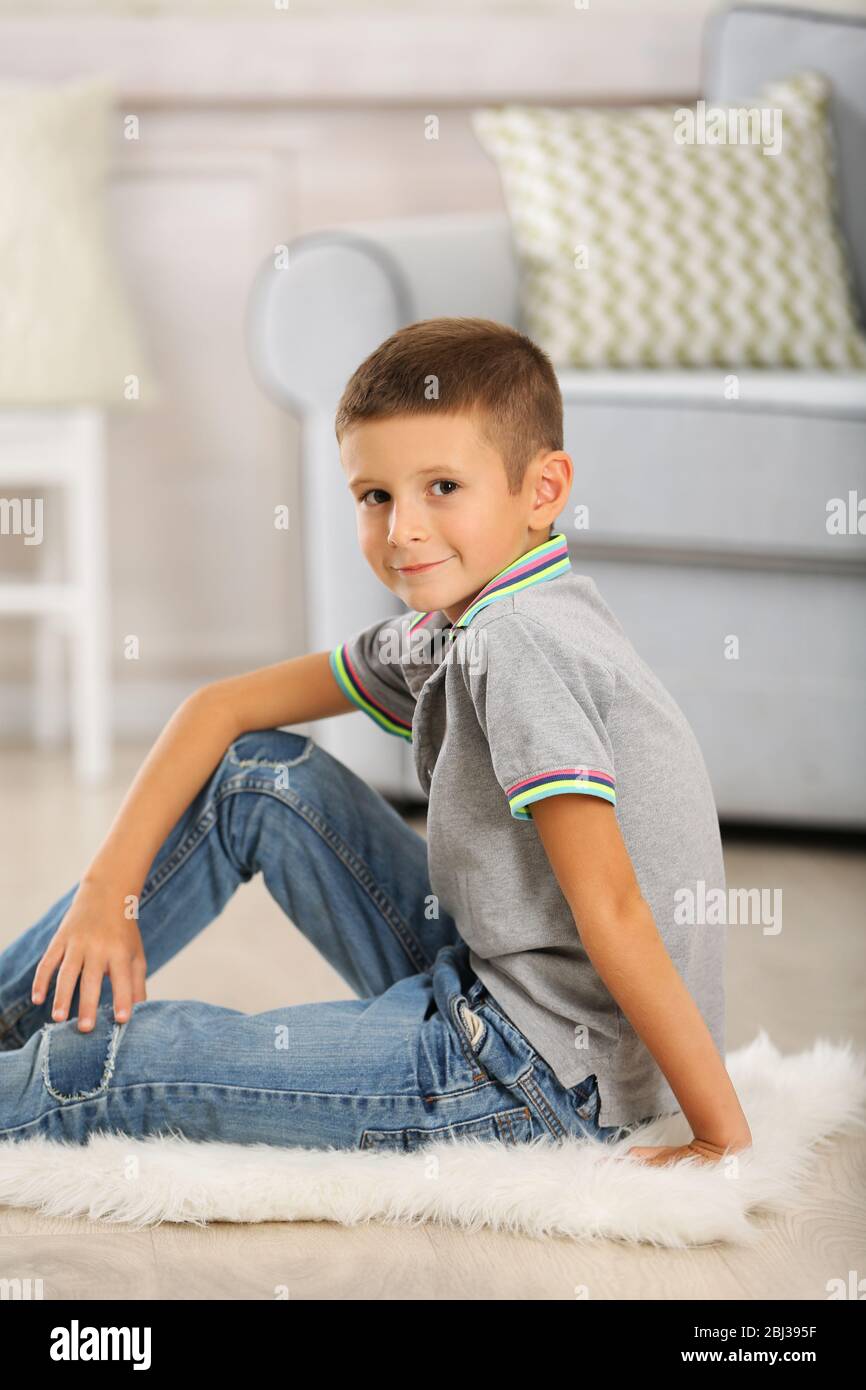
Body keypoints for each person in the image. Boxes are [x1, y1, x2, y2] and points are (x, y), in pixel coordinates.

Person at [0, 317, 751, 1167]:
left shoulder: (519, 641)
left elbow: (612, 907)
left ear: (542, 490)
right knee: (261, 777)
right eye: (376, 496)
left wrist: (720, 1134)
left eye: (441, 487)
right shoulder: (457, 623)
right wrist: (110, 891)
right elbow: (222, 710)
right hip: (499, 987)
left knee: (95, 1067)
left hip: (540, 1076)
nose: (402, 530)